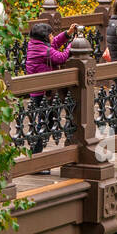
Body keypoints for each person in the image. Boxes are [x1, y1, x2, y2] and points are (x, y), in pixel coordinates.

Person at [23, 22, 75, 158]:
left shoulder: (36, 45)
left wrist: (67, 34)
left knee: (47, 121)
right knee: (45, 122)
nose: (53, 37)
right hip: (43, 93)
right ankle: (35, 156)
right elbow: (61, 57)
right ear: (45, 37)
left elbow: (54, 44)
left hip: (39, 90)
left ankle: (36, 154)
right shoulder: (43, 51)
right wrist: (73, 45)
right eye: (51, 34)